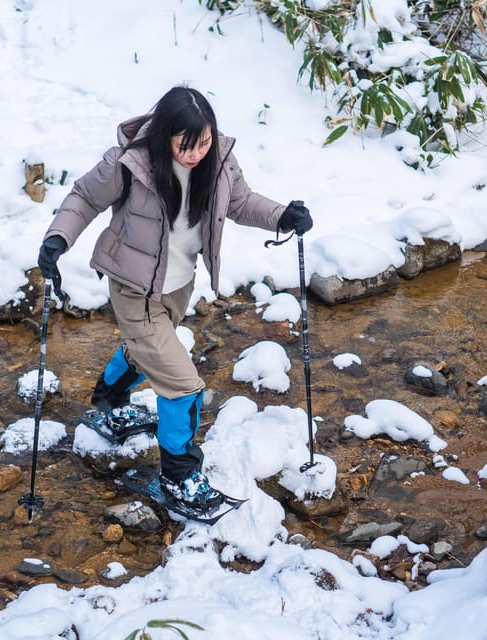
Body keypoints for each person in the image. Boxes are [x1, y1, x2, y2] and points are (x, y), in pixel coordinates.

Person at [37, 86, 312, 513]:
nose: (196, 153)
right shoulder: (130, 162)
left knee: (143, 349)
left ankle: (109, 403)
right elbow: (85, 197)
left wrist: (281, 216)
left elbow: (240, 202)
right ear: (166, 134)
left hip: (180, 282)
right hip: (133, 286)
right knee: (183, 387)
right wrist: (57, 239)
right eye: (186, 145)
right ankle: (179, 476)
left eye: (203, 142)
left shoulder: (218, 158)